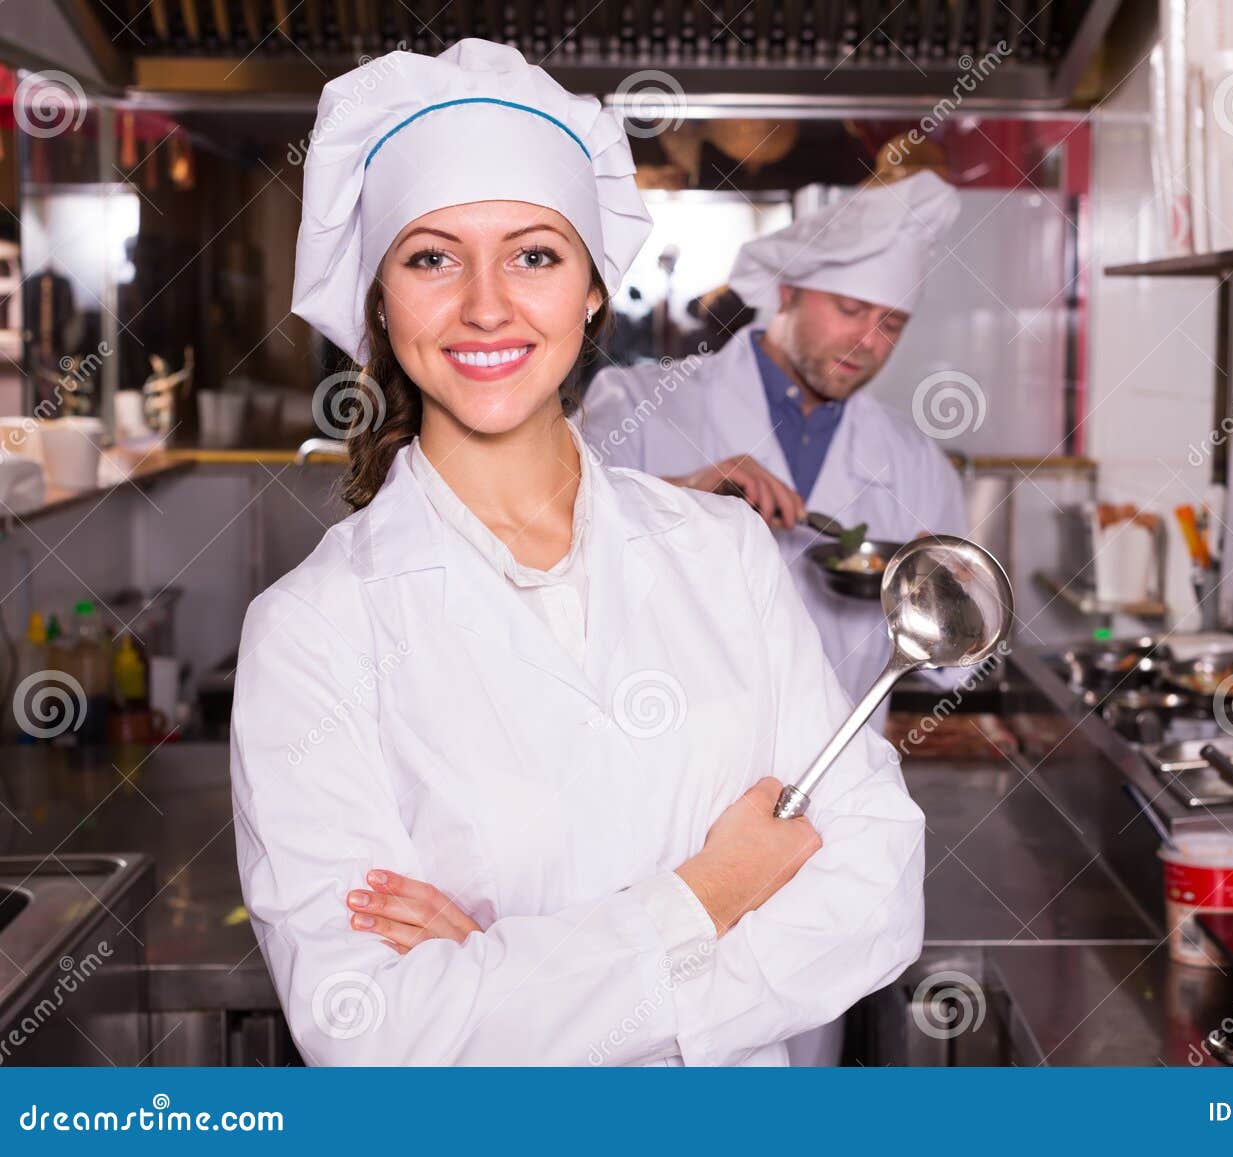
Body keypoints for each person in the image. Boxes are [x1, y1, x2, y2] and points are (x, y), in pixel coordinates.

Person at [229, 39, 924, 1067]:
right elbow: (368, 1030)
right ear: (380, 298)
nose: (485, 303)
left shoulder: (723, 551)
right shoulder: (314, 628)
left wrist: (504, 972)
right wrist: (713, 894)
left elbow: (878, 883)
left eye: (535, 253)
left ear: (593, 287)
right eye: (430, 256)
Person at [583, 172, 970, 732]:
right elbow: (553, 562)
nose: (868, 342)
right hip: (669, 764)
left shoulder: (914, 461)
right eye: (848, 308)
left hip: (836, 778)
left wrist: (943, 593)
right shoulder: (637, 404)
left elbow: (955, 661)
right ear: (787, 292)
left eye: (891, 324)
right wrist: (678, 494)